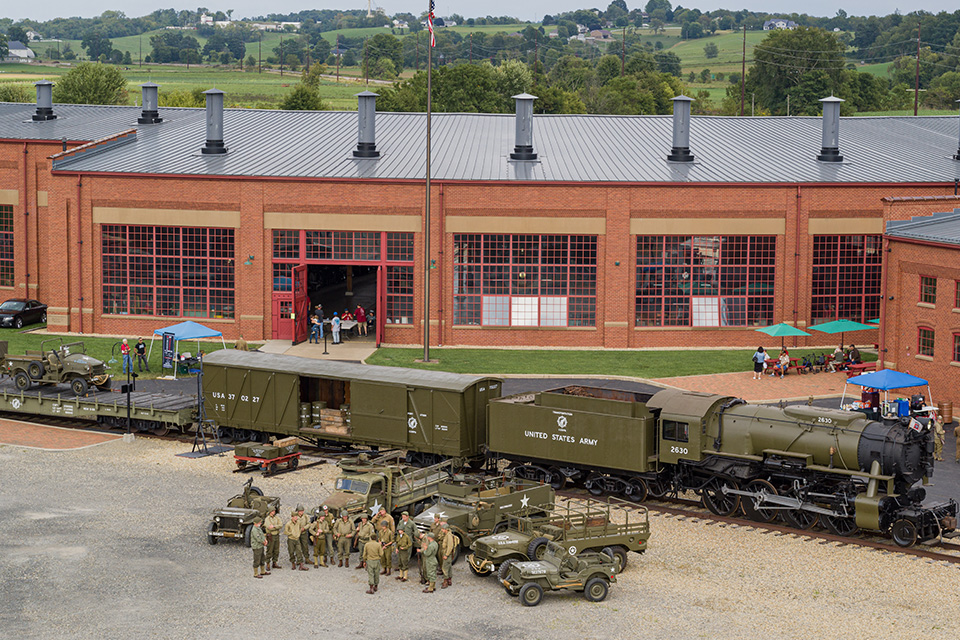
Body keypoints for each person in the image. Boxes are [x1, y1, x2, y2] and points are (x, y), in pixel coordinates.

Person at [395, 515, 413, 582]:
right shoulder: (398, 536)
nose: (399, 531)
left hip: (404, 551)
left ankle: (405, 576)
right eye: (399, 530)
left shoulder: (406, 536)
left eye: (400, 530)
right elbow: (397, 542)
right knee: (400, 562)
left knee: (404, 562)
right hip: (400, 551)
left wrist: (405, 547)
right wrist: (397, 548)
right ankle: (400, 575)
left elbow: (410, 544)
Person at [439, 521, 457, 589]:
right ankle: (449, 580)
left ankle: (445, 582)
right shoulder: (447, 534)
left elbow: (450, 546)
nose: (442, 530)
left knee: (445, 568)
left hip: (447, 554)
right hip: (447, 553)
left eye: (443, 529)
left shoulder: (449, 536)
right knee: (449, 567)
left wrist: (446, 555)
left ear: (446, 529)